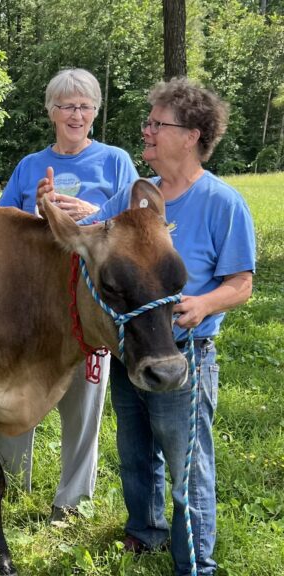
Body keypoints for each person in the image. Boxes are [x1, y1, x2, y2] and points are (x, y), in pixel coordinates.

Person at [78, 77, 255, 575]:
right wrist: (62, 212)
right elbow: (91, 242)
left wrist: (202, 306)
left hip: (184, 352)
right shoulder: (133, 197)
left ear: (192, 135)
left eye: (158, 123)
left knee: (186, 461)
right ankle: (144, 530)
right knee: (135, 451)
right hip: (130, 347)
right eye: (148, 121)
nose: (147, 130)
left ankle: (195, 560)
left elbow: (241, 282)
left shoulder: (221, 201)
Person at [0, 68, 139, 521]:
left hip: (90, 305)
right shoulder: (29, 166)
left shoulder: (116, 161)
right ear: (51, 112)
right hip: (31, 306)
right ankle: (11, 484)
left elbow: (138, 224)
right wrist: (35, 210)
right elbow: (2, 228)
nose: (75, 114)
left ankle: (73, 501)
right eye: (66, 105)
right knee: (21, 394)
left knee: (83, 405)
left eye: (84, 106)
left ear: (95, 113)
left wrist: (95, 213)